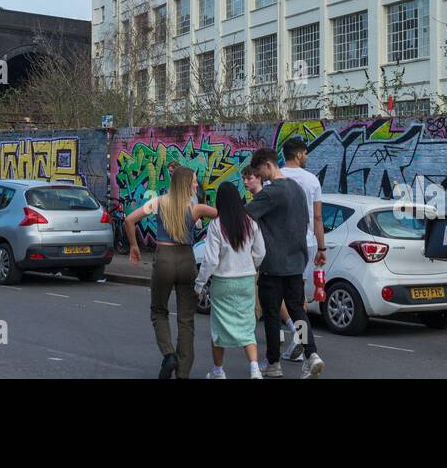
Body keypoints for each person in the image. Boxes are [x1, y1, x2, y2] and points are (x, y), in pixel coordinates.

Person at [126, 166, 216, 379]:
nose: (196, 185)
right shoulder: (197, 208)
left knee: (159, 311)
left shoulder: (157, 202)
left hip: (164, 258)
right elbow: (226, 216)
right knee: (186, 319)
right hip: (187, 260)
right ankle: (183, 373)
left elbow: (130, 220)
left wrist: (134, 246)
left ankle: (168, 355)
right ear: (186, 183)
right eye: (194, 181)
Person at [245, 148, 324, 378]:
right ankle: (312, 354)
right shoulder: (298, 190)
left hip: (273, 263)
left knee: (271, 314)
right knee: (298, 310)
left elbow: (244, 215)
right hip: (296, 262)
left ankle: (273, 363)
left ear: (267, 165)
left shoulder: (271, 193)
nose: (259, 176)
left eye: (259, 171)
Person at [194, 181, 265, 379]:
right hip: (246, 281)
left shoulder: (216, 226)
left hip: (223, 283)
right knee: (246, 325)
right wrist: (252, 265)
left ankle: (218, 371)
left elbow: (209, 260)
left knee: (219, 329)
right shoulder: (251, 223)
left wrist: (199, 285)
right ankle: (254, 369)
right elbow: (261, 252)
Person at [278, 137, 327, 360]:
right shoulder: (312, 181)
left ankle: (297, 337)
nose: (306, 157)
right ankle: (299, 341)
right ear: (298, 155)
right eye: (305, 153)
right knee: (298, 296)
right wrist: (322, 247)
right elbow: (317, 217)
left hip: (280, 243)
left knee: (278, 295)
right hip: (305, 243)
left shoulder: (276, 177)